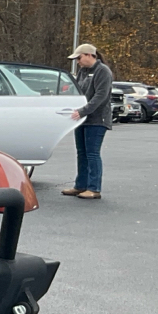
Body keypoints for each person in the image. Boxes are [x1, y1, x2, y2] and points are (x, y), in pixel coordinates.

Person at [62, 43, 112, 201]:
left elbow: (100, 96)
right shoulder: (83, 72)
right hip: (82, 119)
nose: (78, 61)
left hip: (97, 119)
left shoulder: (103, 71)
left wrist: (83, 111)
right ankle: (81, 185)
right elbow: (78, 91)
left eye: (79, 57)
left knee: (92, 153)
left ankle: (94, 188)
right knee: (81, 153)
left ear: (90, 55)